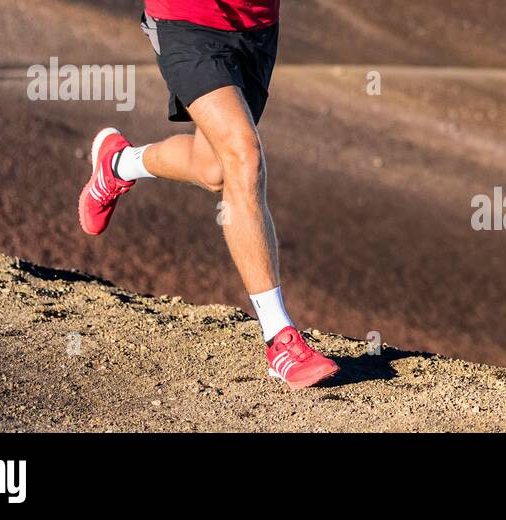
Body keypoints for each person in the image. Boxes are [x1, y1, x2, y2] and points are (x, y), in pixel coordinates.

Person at [77, 0, 338, 389]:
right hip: (187, 20)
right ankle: (279, 339)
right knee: (244, 155)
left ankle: (117, 165)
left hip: (256, 28)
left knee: (214, 168)